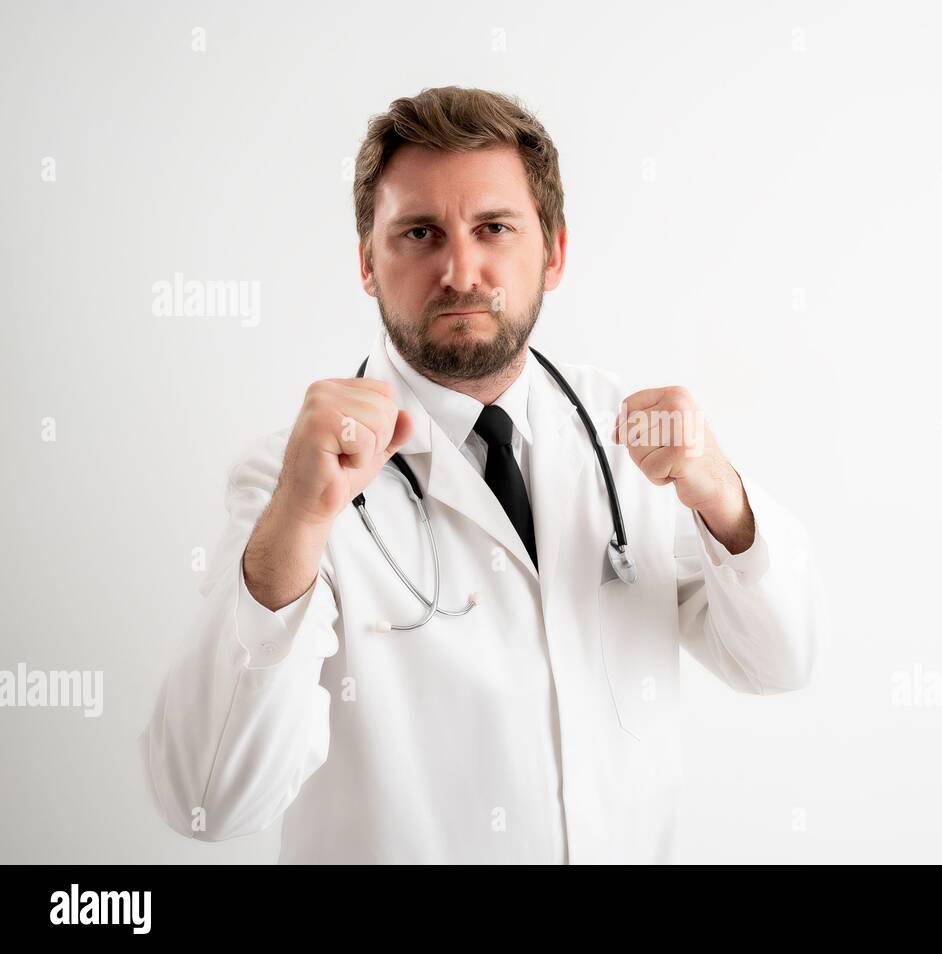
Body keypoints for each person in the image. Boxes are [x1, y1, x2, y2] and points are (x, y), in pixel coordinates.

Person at [141, 86, 826, 863]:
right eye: (419, 233)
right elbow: (207, 802)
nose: (459, 270)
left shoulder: (633, 442)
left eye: (493, 228)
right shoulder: (292, 481)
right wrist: (298, 523)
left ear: (554, 252)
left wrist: (724, 498)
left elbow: (781, 661)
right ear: (368, 263)